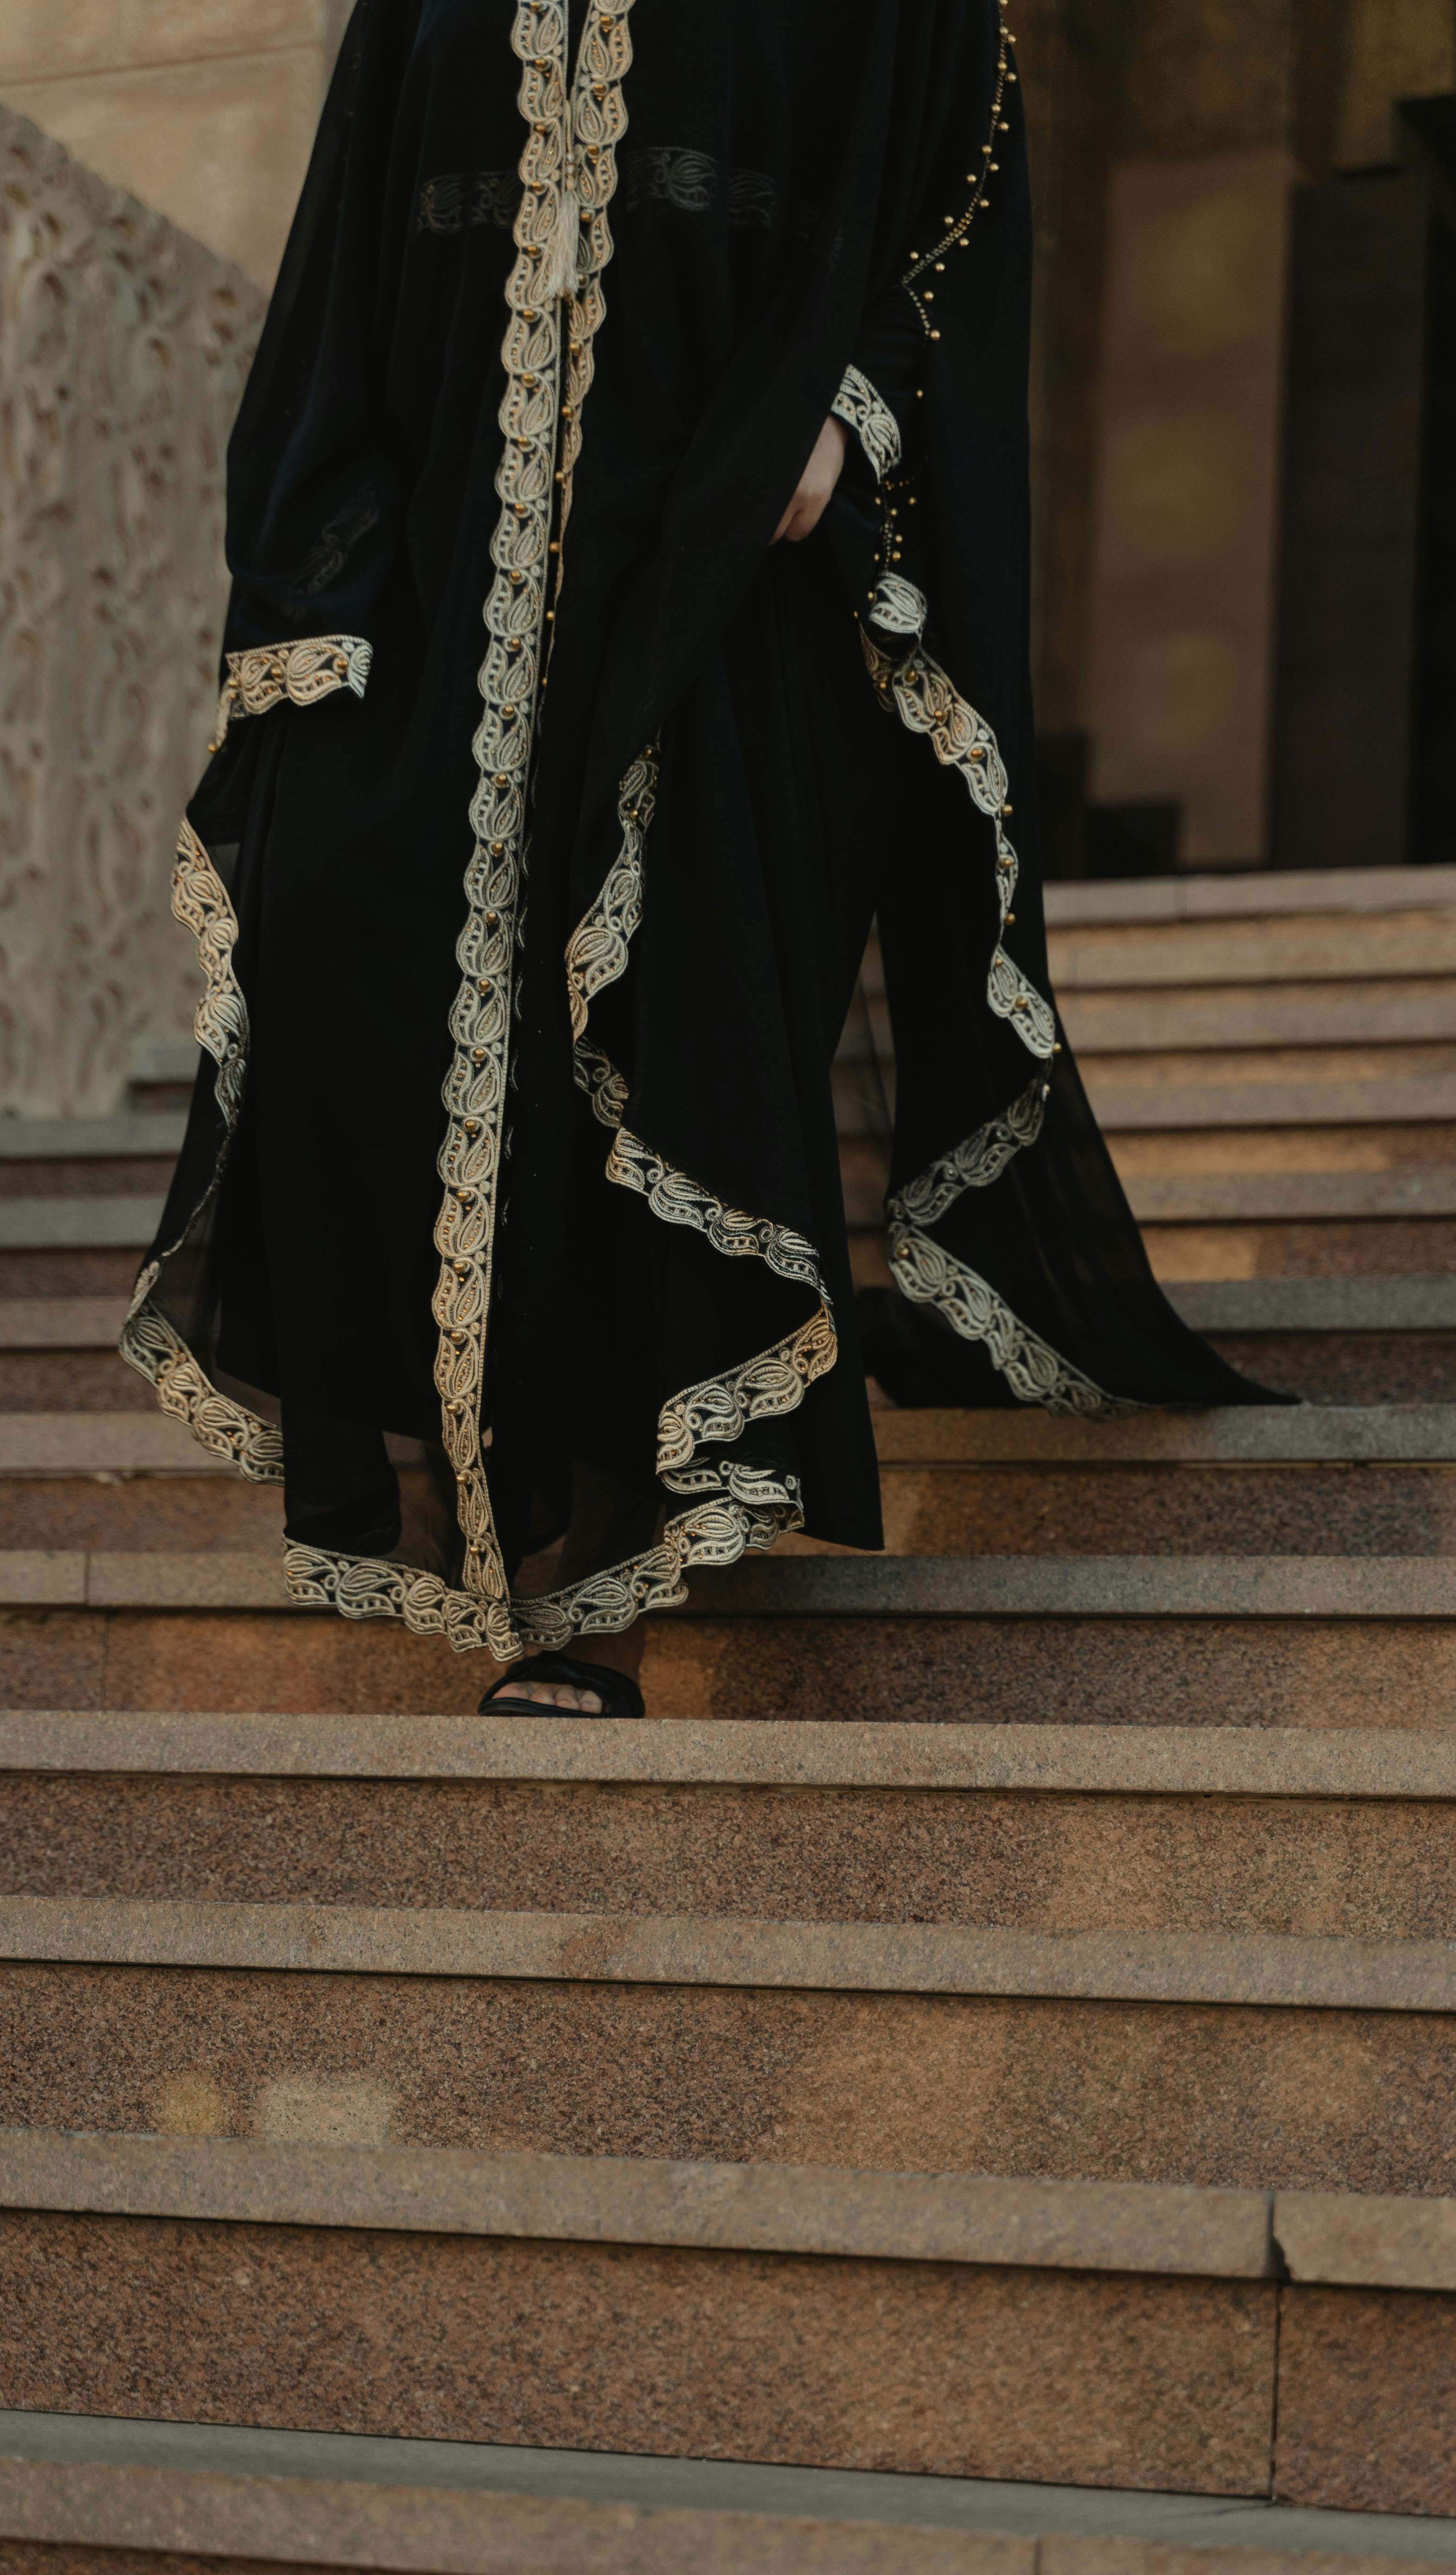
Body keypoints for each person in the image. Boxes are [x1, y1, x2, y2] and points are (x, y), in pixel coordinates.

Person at [123, 0, 1285, 1722]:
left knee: (646, 1042)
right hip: (447, 606)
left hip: (724, 593)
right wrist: (317, 599)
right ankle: (509, 1516)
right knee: (376, 991)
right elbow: (337, 286)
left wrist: (849, 413)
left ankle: (585, 1591)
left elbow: (955, 205)